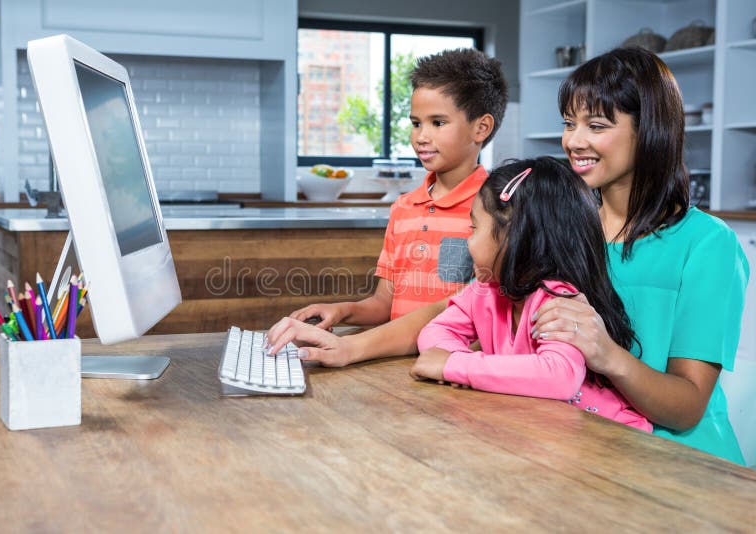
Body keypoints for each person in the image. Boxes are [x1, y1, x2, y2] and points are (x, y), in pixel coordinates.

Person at [267, 47, 748, 463]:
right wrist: (348, 347)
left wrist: (607, 354)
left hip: (680, 463)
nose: (573, 142)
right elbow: (463, 304)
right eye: (569, 123)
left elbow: (686, 406)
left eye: (596, 125)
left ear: (652, 131)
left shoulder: (708, 244)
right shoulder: (564, 222)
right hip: (579, 444)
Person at [410, 157, 651, 431]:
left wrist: (458, 366)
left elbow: (559, 376)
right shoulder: (485, 291)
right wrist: (453, 364)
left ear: (515, 236)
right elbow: (435, 331)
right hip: (540, 432)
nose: (469, 240)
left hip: (609, 438)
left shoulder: (559, 300)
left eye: (475, 228)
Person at [285, 48, 508, 331]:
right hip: (393, 364)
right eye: (416, 123)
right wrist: (341, 310)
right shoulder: (404, 209)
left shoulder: (495, 210)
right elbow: (384, 304)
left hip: (451, 365)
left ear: (481, 128)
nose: (421, 137)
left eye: (437, 123)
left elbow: (486, 315)